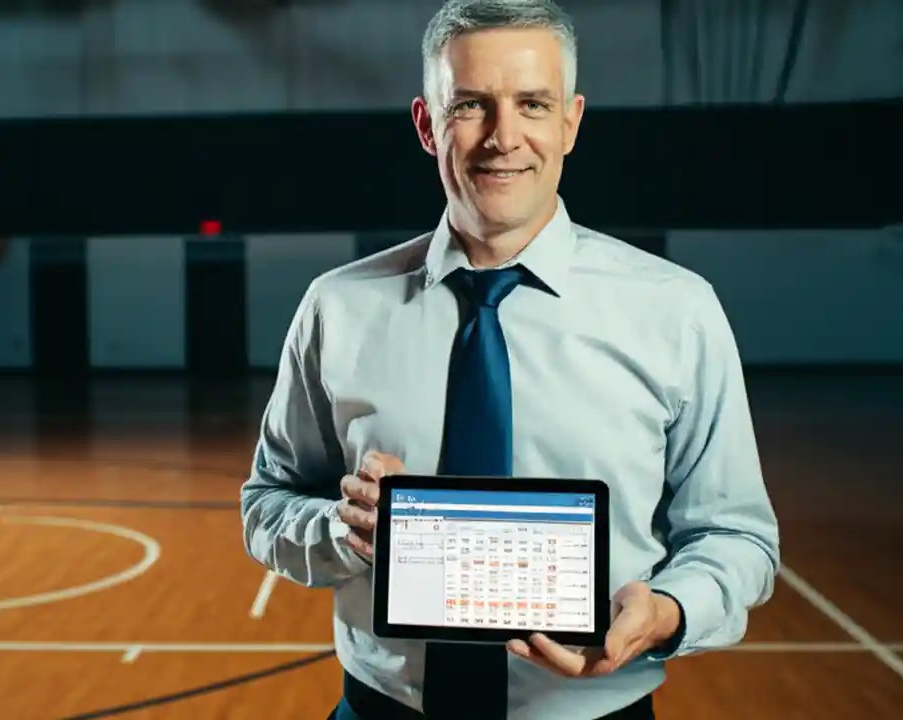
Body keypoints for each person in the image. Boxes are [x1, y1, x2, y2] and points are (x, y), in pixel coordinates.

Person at [239, 0, 780, 717]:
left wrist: (671, 611)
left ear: (570, 121)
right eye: (470, 104)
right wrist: (346, 531)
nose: (504, 137)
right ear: (428, 125)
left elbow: (736, 534)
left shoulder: (675, 311)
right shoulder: (338, 308)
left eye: (532, 103)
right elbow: (266, 504)